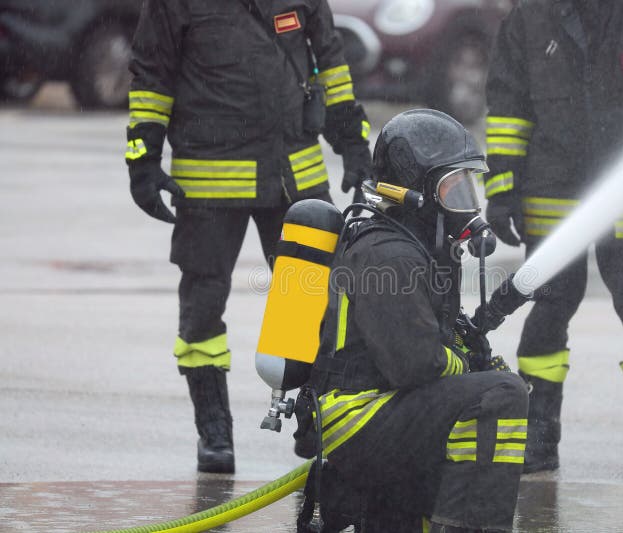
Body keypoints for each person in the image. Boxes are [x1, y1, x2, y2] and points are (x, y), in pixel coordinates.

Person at [124, 0, 373, 473]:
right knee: (202, 309)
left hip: (293, 175)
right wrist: (144, 158)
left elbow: (330, 62)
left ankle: (312, 412)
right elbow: (152, 72)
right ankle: (214, 429)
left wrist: (353, 142)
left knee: (315, 301)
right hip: (208, 179)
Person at [483, 0, 623, 481]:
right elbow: (508, 110)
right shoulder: (529, 20)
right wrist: (501, 188)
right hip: (552, 193)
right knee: (550, 308)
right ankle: (539, 436)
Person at [295, 109, 529, 532]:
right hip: (359, 421)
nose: (467, 204)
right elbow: (416, 364)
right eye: (454, 189)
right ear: (419, 193)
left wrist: (464, 356)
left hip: (380, 412)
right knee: (501, 395)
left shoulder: (415, 248)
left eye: (468, 187)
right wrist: (464, 363)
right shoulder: (390, 254)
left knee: (485, 393)